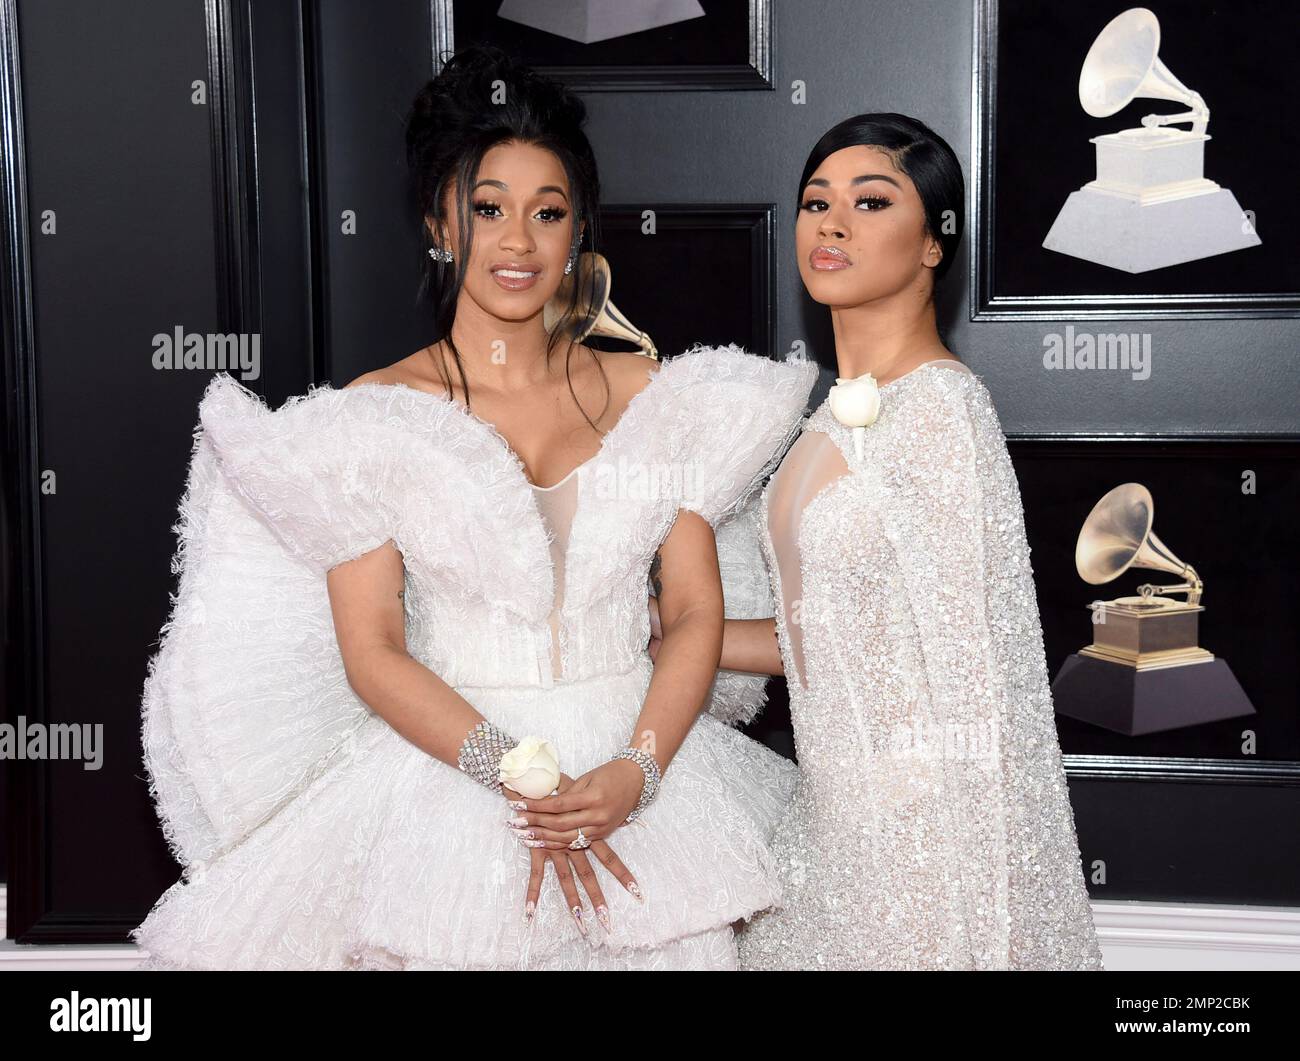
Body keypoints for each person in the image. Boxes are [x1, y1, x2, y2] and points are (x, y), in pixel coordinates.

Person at [130, 45, 817, 970]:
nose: (519, 243)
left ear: (579, 233)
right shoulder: (376, 414)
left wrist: (636, 772)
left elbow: (693, 608)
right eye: (488, 209)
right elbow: (372, 650)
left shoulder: (653, 392)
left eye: (548, 213)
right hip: (457, 784)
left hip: (651, 774)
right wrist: (518, 776)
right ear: (440, 224)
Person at [708, 113, 1104, 969]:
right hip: (827, 834)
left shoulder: (944, 412)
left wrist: (986, 919)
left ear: (933, 243)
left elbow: (982, 676)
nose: (832, 221)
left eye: (871, 200)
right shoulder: (819, 423)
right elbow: (822, 642)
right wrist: (661, 635)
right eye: (816, 201)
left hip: (924, 853)